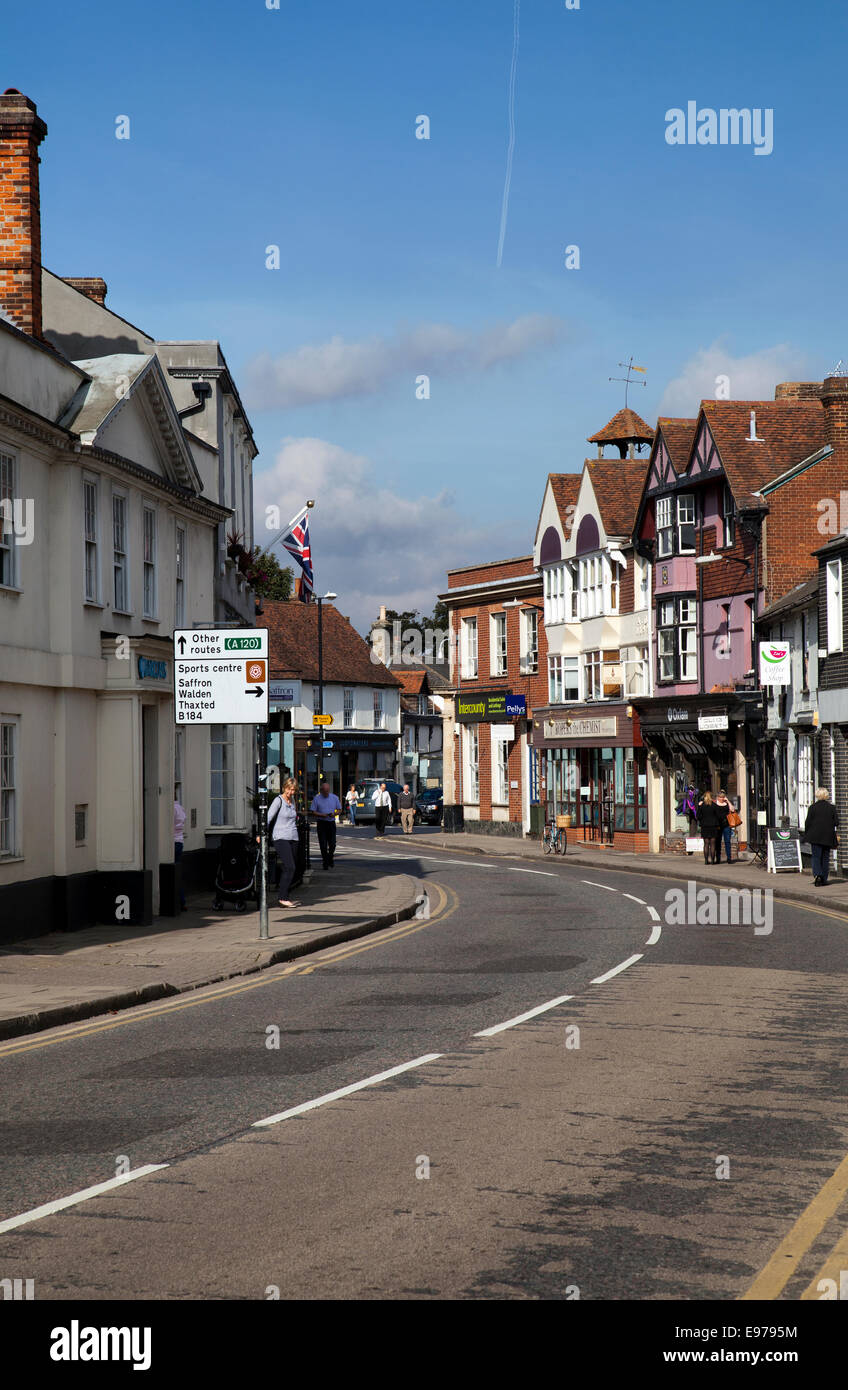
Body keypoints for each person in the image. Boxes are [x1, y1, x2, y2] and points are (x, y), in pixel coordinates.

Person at [266, 777, 301, 907]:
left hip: (293, 837)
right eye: (290, 789)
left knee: (290, 868)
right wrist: (260, 833)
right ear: (285, 787)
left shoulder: (292, 801)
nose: (291, 792)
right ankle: (282, 897)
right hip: (280, 837)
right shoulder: (278, 800)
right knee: (290, 866)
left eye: (294, 790)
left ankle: (284, 896)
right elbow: (268, 818)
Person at [804, 787, 839, 886]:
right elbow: (837, 822)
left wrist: (807, 835)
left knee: (816, 856)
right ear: (826, 795)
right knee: (825, 857)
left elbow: (808, 823)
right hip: (827, 836)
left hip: (815, 836)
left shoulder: (812, 807)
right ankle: (824, 877)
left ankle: (817, 875)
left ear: (817, 795)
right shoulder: (832, 808)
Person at [311, 779, 342, 868]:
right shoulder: (317, 798)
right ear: (321, 790)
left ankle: (330, 857)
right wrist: (322, 815)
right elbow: (313, 811)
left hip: (331, 822)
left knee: (332, 843)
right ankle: (325, 861)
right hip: (321, 823)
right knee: (323, 844)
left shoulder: (334, 797)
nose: (327, 793)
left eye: (328, 791)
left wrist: (334, 814)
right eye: (325, 791)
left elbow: (340, 810)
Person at [696, 791, 723, 864]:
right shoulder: (715, 805)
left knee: (706, 844)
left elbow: (698, 816)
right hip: (713, 826)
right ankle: (713, 861)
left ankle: (706, 860)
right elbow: (719, 816)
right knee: (713, 844)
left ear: (704, 797)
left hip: (705, 826)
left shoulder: (702, 806)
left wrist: (699, 807)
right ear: (711, 797)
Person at [173, 791, 187, 911]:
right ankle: (181, 901)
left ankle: (178, 900)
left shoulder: (172, 809)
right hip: (179, 841)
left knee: (173, 872)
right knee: (178, 872)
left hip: (172, 842)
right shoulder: (180, 808)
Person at [713, 790, 733, 864]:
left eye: (723, 797)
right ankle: (718, 858)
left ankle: (729, 858)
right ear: (718, 797)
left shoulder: (726, 804)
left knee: (727, 841)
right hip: (718, 825)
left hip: (726, 825)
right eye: (721, 797)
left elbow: (732, 809)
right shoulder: (715, 804)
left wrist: (728, 801)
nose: (722, 798)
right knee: (717, 842)